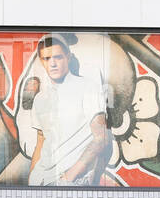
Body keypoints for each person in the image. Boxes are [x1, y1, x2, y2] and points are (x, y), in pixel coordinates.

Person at [23, 33, 111, 186]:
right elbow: (41, 141)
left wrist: (69, 177)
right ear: (41, 62)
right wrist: (31, 179)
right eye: (46, 59)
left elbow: (101, 138)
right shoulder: (40, 99)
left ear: (68, 57)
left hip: (70, 181)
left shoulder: (88, 88)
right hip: (40, 180)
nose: (53, 64)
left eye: (58, 57)